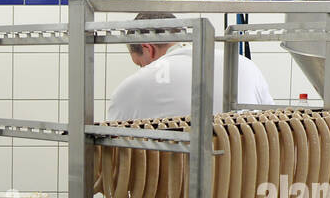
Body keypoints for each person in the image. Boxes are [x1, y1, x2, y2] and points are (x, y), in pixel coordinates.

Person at [107, 11, 274, 121]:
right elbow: (271, 124)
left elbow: (112, 152)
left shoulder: (133, 86)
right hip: (243, 172)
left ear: (148, 49)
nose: (143, 69)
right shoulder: (243, 64)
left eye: (140, 64)